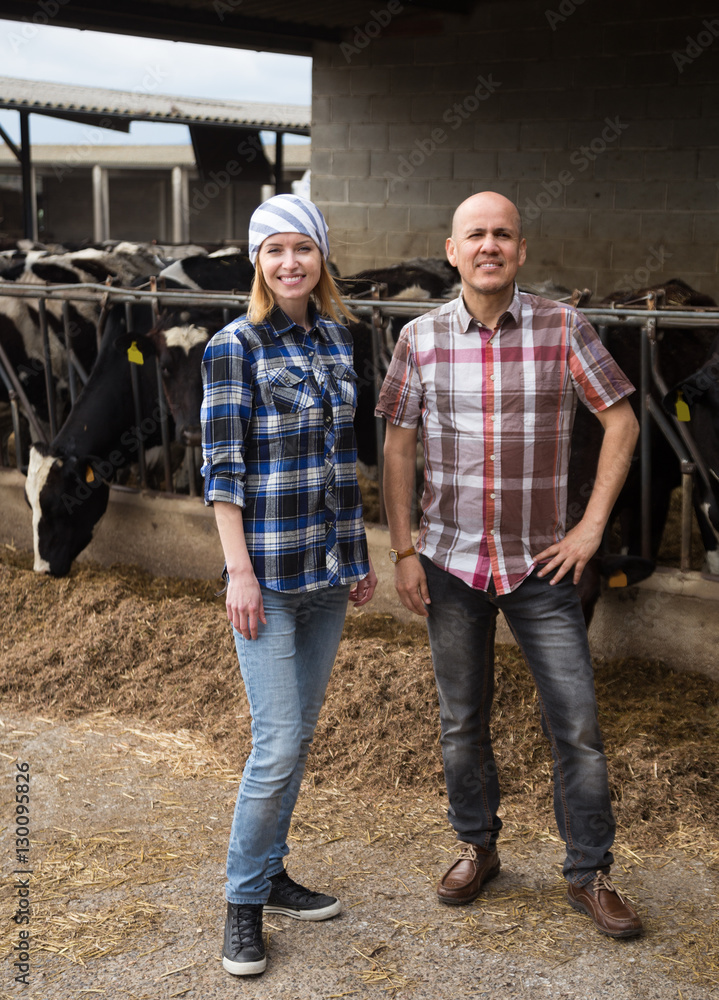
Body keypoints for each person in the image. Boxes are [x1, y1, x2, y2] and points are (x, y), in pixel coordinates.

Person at [376, 191, 643, 939]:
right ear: (452, 251)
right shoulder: (419, 337)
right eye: (475, 235)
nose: (488, 245)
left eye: (502, 234)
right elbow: (397, 447)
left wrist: (590, 529)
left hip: (541, 567)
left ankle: (588, 872)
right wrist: (403, 551)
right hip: (449, 564)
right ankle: (477, 847)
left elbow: (621, 421)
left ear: (521, 250)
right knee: (462, 720)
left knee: (577, 725)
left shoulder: (565, 326)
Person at [201, 194, 377, 977]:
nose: (289, 262)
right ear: (256, 262)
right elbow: (222, 470)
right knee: (274, 744)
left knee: (298, 736)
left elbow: (342, 461)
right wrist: (237, 572)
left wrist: (358, 555)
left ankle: (271, 875)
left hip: (328, 575)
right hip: (266, 578)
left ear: (321, 257)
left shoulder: (339, 339)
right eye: (273, 250)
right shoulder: (232, 346)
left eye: (301, 247)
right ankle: (242, 902)